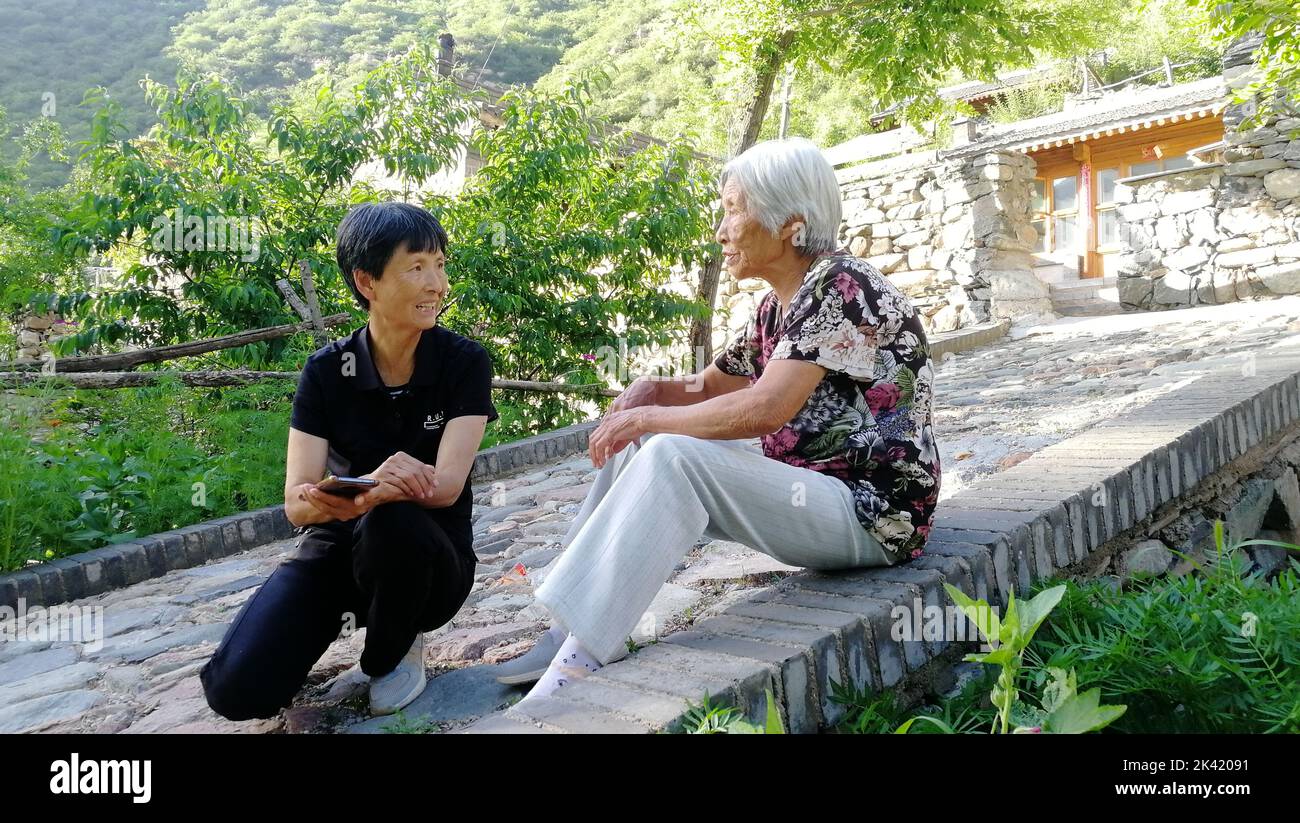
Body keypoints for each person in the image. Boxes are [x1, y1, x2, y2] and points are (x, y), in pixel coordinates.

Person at [492, 137, 941, 700]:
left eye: (734, 209)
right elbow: (710, 385)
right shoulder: (781, 301)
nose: (721, 230)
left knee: (671, 450)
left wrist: (651, 420)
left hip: (874, 518)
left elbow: (764, 407)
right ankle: (570, 626)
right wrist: (653, 390)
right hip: (818, 492)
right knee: (642, 442)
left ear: (789, 224)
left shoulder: (841, 286)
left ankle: (577, 663)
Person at [201, 201, 498, 719]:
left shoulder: (462, 363)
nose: (438, 285)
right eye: (417, 267)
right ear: (367, 281)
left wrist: (375, 494)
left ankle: (391, 650)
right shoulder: (325, 372)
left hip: (431, 561)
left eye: (441, 265)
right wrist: (343, 495)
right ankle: (348, 621)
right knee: (237, 691)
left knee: (394, 519)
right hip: (340, 548)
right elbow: (298, 504)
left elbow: (446, 486)